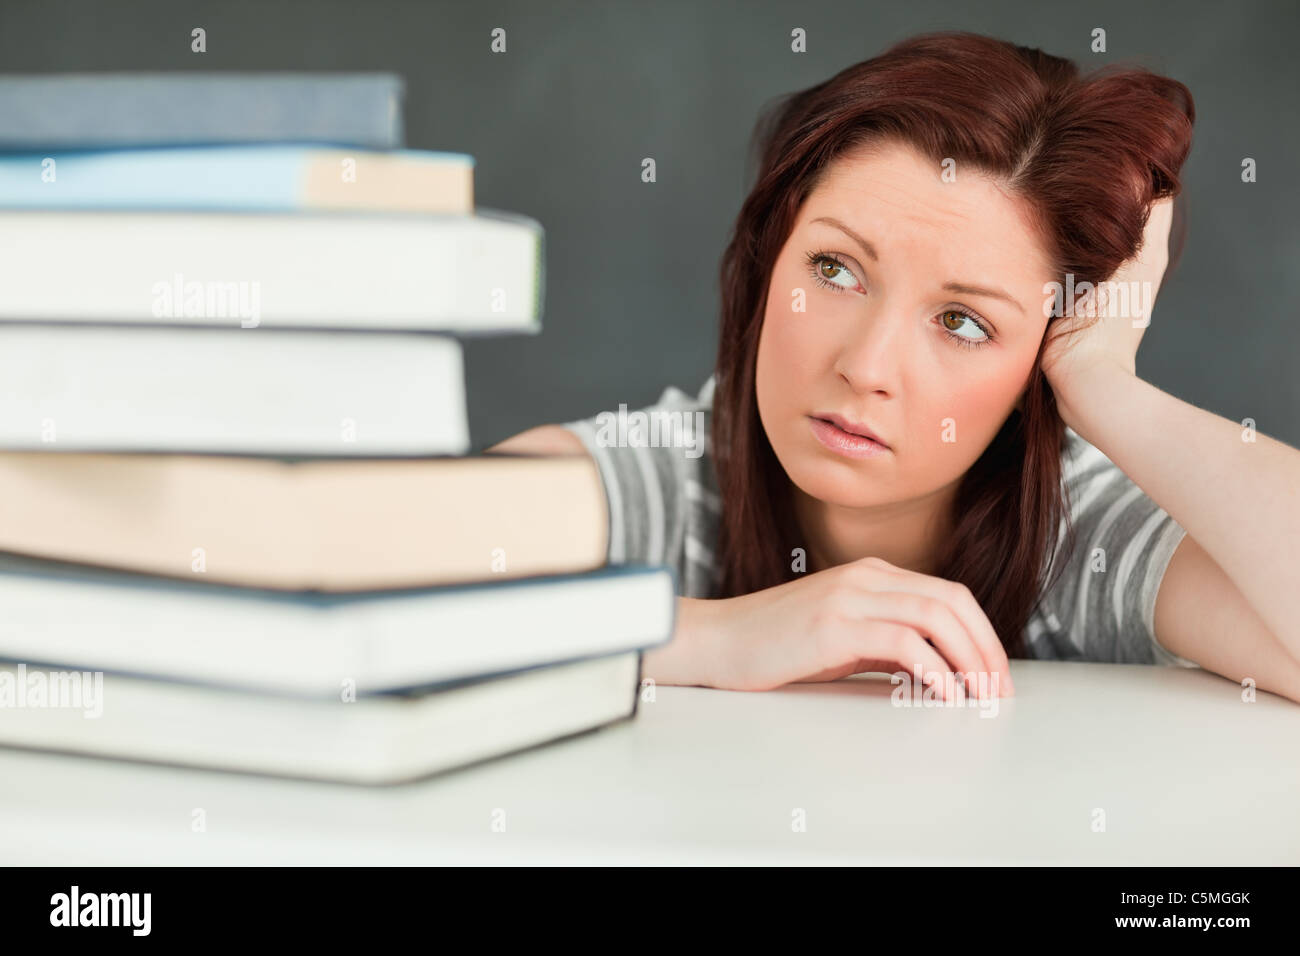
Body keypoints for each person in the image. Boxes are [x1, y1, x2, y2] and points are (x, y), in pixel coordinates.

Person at [489, 32, 1300, 703]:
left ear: (1035, 366)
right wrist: (711, 636)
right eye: (836, 270)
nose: (867, 366)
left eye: (962, 322)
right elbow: (378, 572)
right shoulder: (670, 476)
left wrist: (1102, 384)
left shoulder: (1072, 534)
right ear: (770, 261)